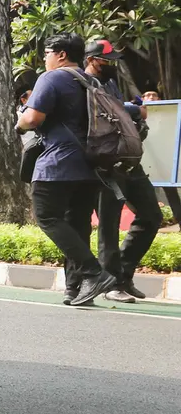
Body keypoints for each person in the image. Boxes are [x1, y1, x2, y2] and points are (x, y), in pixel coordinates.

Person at [16, 34, 118, 306]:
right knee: (77, 224)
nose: (45, 57)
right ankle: (76, 288)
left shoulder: (52, 78)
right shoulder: (92, 81)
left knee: (47, 216)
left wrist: (20, 122)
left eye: (48, 52)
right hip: (90, 165)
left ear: (61, 54)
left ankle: (94, 273)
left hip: (58, 163)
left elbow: (34, 117)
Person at [83, 39, 163, 303]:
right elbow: (108, 108)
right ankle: (109, 283)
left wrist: (132, 110)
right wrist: (134, 108)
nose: (112, 64)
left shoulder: (110, 82)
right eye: (107, 59)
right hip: (104, 162)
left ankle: (124, 274)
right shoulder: (83, 82)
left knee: (151, 215)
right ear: (92, 59)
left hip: (128, 157)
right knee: (109, 224)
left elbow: (118, 107)